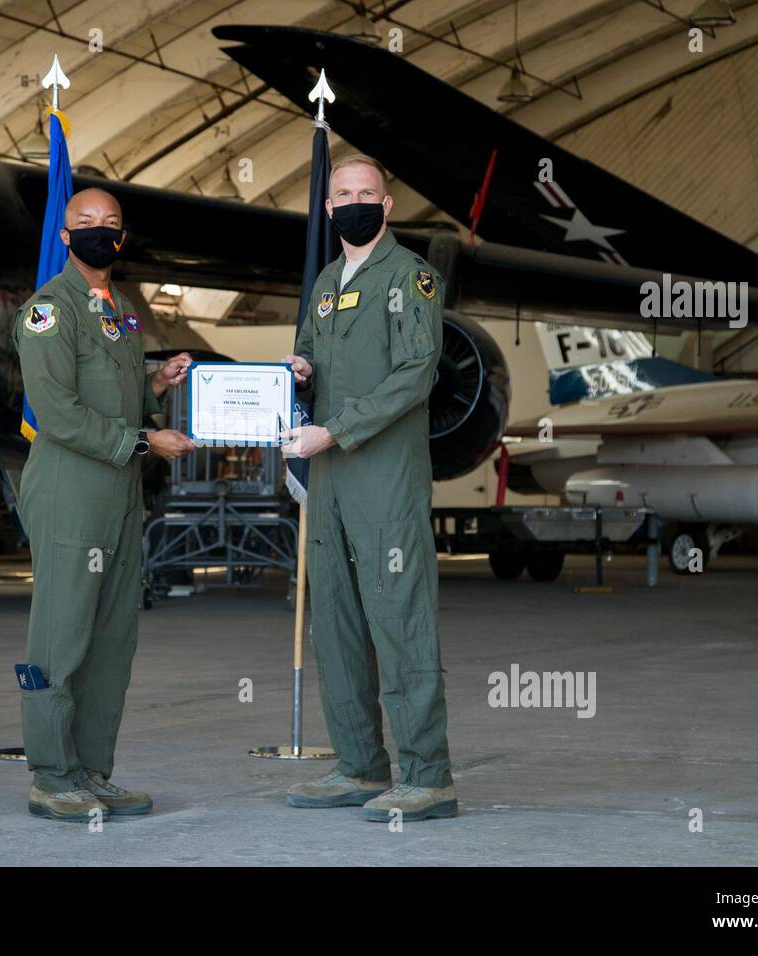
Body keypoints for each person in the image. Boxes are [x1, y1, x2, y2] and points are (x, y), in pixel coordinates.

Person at [281, 154, 456, 822]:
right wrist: (300, 374)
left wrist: (337, 429)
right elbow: (313, 360)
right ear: (329, 210)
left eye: (367, 192)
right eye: (342, 194)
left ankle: (428, 775)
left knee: (398, 618)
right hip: (328, 479)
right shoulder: (327, 281)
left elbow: (415, 374)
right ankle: (359, 765)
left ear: (386, 206)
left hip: (382, 476)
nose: (355, 202)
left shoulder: (410, 278)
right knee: (336, 623)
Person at [13, 187, 195, 822]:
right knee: (61, 633)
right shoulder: (48, 310)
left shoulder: (116, 309)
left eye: (110, 224)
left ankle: (91, 770)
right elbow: (59, 413)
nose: (99, 231)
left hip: (118, 489)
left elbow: (111, 388)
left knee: (113, 636)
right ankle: (50, 775)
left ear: (122, 237)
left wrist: (154, 381)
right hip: (71, 487)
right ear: (65, 237)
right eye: (85, 222)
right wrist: (144, 438)